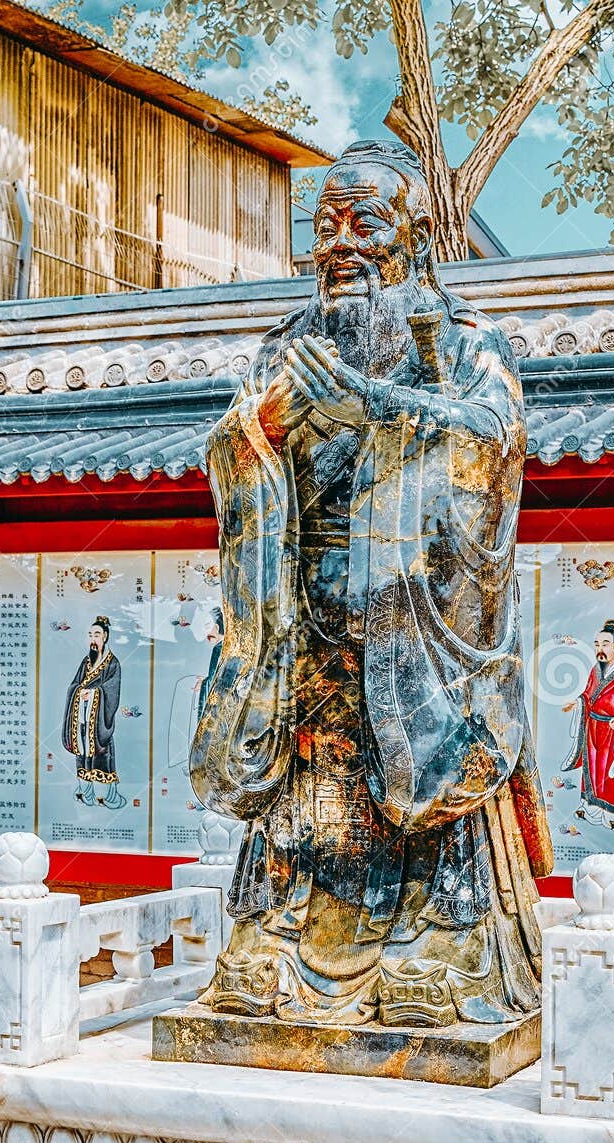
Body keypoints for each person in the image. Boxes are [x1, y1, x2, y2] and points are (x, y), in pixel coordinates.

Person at [189, 138, 551, 1028]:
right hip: (303, 640)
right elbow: (233, 451)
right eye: (325, 226)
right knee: (301, 810)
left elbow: (488, 445)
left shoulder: (464, 346)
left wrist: (377, 407)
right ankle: (274, 953)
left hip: (412, 648)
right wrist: (260, 434)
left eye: (364, 221)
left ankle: (436, 961)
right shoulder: (287, 347)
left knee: (419, 805)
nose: (339, 244)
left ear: (415, 234)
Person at [561, 619, 614, 832]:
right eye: (597, 644)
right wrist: (577, 702)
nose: (600, 649)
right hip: (592, 728)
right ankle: (592, 808)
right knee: (593, 769)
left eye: (604, 644)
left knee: (612, 773)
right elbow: (588, 695)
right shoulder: (596, 670)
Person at [62, 615, 124, 808]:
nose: (92, 639)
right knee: (82, 757)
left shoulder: (113, 664)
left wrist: (96, 693)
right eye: (90, 635)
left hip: (98, 727)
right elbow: (74, 685)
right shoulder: (86, 662)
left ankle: (107, 796)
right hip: (82, 721)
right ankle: (85, 792)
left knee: (102, 758)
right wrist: (80, 693)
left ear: (105, 636)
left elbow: (112, 693)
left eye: (96, 634)